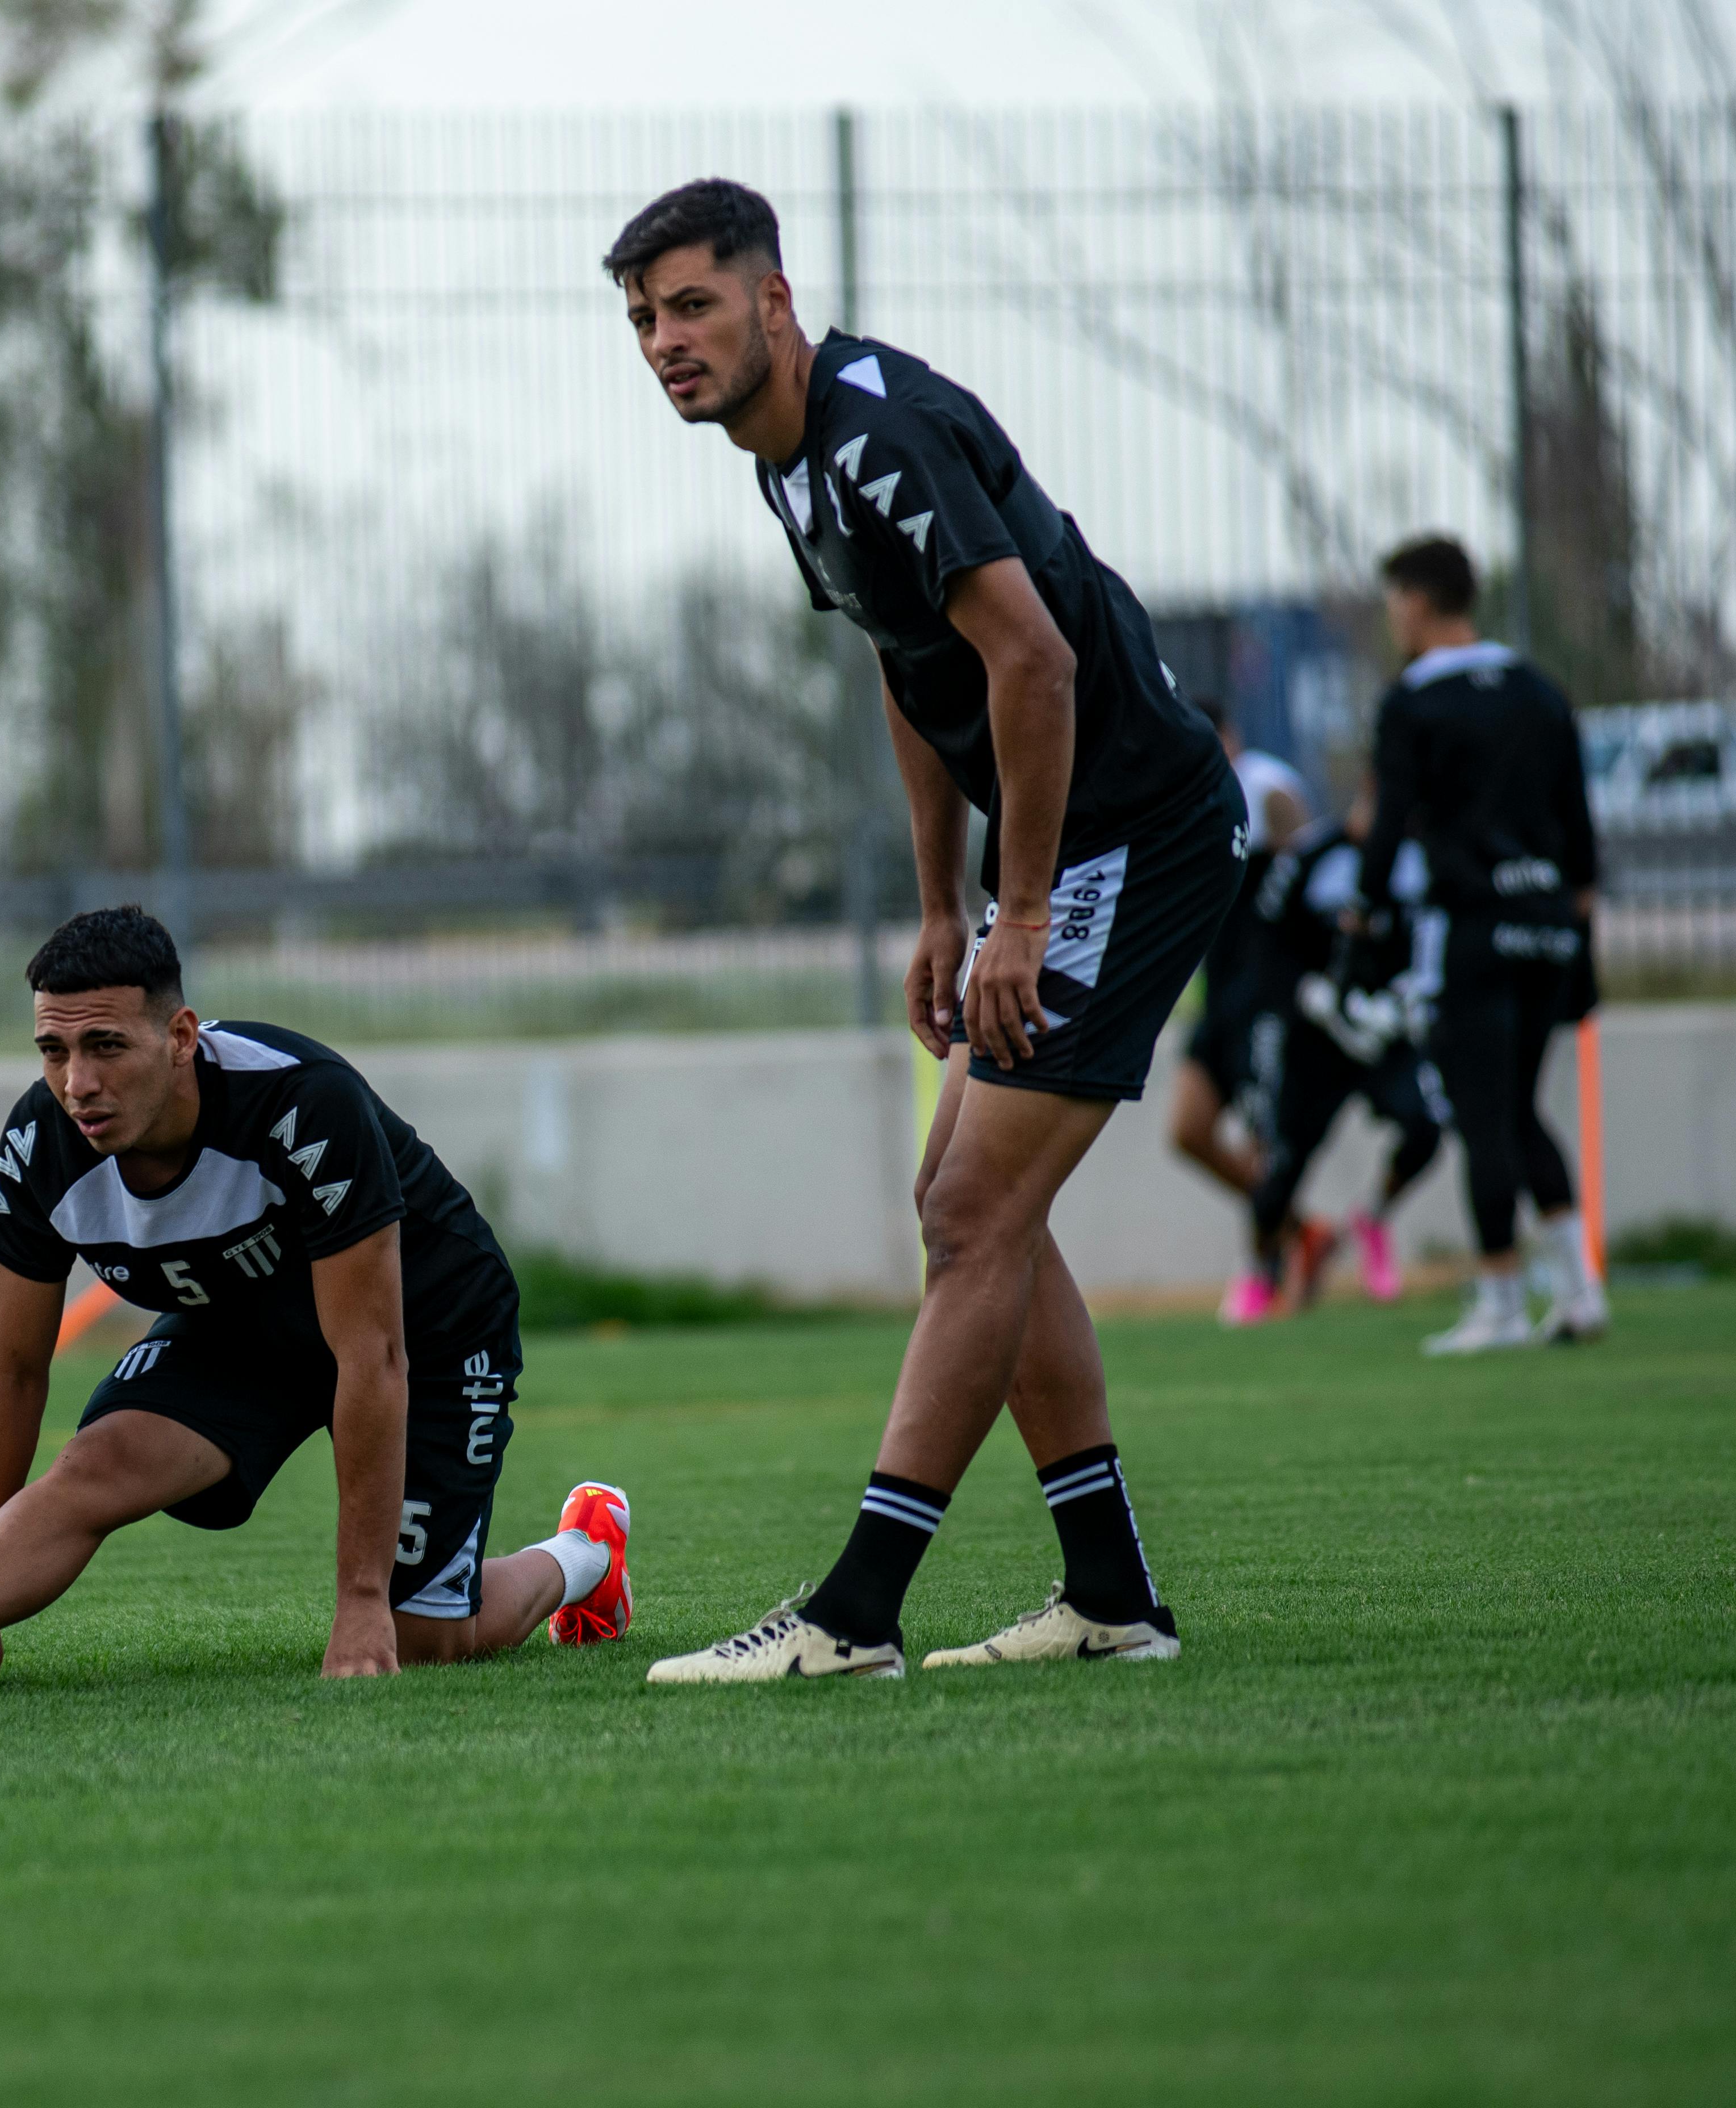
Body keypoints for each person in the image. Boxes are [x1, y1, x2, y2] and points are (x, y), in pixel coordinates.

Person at [610, 178, 1238, 1681]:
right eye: (641, 319)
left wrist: (1021, 912)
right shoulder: (789, 465)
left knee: (969, 1214)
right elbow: (917, 664)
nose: (664, 342)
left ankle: (855, 1615)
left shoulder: (871, 435)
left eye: (693, 304)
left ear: (775, 301)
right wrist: (945, 905)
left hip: (1131, 842)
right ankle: (1109, 1596)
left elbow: (1030, 660)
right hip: (1057, 856)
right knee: (968, 1204)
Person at [0, 905, 634, 1699]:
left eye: (106, 1046)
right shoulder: (41, 1145)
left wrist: (362, 1599)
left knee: (422, 1635)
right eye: (53, 1051)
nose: (77, 1084)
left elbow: (373, 1356)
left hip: (428, 1325)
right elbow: (15, 1366)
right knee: (99, 1460)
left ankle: (586, 1553)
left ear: (180, 1037)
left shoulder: (301, 1103)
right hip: (249, 1323)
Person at [1357, 536, 1607, 1354]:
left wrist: (1364, 925)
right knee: (1519, 1107)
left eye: (1396, 600)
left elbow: (1389, 826)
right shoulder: (1539, 690)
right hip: (1548, 925)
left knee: (1480, 1115)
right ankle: (1579, 1290)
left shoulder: (1414, 703)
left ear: (1419, 602)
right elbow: (1579, 821)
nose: (1395, 616)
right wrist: (1580, 933)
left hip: (1469, 928)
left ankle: (1501, 1299)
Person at [1224, 790, 1451, 1319]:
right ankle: (1261, 1270)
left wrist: (1404, 1003)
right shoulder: (1311, 858)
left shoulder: (1417, 862)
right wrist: (1309, 996)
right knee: (1283, 1163)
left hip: (1382, 1033)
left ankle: (1372, 1218)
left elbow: (1431, 943)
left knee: (1425, 1128)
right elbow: (1268, 942)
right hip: (1315, 1040)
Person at [1170, 696, 1315, 1319]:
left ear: (1230, 735)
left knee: (1262, 1135)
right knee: (1189, 1130)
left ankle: (1266, 1268)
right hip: (1218, 993)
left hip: (1267, 997)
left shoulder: (1265, 786)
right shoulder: (1180, 793)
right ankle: (1299, 1230)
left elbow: (1312, 872)